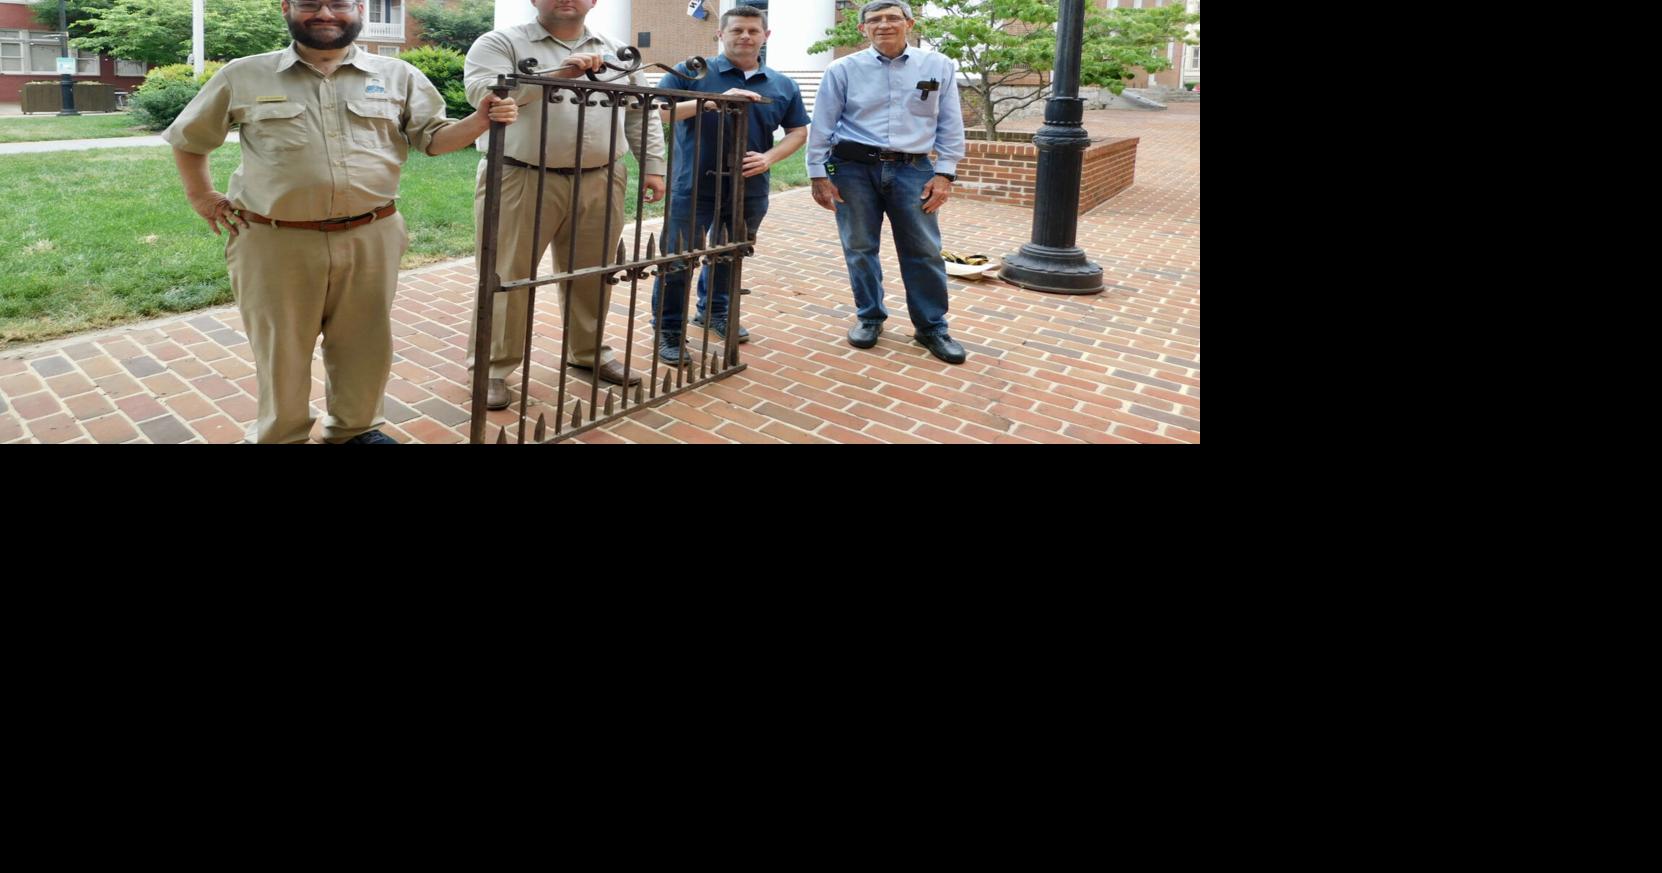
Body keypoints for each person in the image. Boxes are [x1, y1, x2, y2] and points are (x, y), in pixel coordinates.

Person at [164, 0, 519, 442]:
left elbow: (433, 140)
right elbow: (189, 138)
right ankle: (281, 435)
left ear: (359, 10)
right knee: (281, 349)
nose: (326, 13)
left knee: (364, 344)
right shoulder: (244, 73)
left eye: (340, 4)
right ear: (287, 9)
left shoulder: (398, 76)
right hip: (275, 240)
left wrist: (480, 120)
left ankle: (355, 431)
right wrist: (202, 196)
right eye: (311, 3)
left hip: (372, 233)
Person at [464, 0, 667, 410]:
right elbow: (482, 97)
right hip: (520, 174)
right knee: (506, 274)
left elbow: (640, 113)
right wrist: (559, 75)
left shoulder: (618, 52)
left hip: (601, 176)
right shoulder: (500, 42)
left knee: (594, 273)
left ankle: (589, 353)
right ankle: (493, 369)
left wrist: (653, 166)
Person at [806, 0, 968, 365]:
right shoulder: (842, 69)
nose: (884, 25)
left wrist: (945, 172)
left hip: (914, 170)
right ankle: (869, 317)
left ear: (909, 23)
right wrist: (818, 174)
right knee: (860, 247)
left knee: (924, 250)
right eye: (874, 20)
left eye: (893, 18)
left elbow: (949, 123)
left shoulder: (938, 66)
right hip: (851, 169)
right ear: (862, 29)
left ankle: (931, 326)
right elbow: (823, 124)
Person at [649, 3, 809, 364]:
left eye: (753, 31)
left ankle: (713, 313)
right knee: (678, 260)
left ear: (766, 37)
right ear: (720, 34)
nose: (745, 36)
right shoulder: (691, 72)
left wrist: (769, 158)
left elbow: (798, 131)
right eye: (737, 30)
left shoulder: (782, 84)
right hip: (693, 185)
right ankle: (668, 330)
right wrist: (711, 101)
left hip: (749, 189)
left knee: (729, 255)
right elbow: (660, 111)